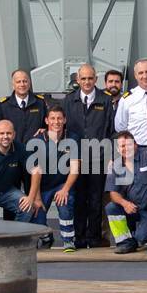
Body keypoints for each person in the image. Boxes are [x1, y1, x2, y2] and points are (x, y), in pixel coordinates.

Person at [62, 64, 113, 248]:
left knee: (96, 199)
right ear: (77, 80)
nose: (86, 82)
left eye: (90, 78)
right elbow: (62, 127)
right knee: (79, 199)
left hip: (98, 157)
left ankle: (94, 237)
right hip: (76, 159)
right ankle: (80, 238)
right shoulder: (69, 101)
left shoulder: (105, 101)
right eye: (83, 78)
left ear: (96, 80)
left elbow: (110, 130)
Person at [24, 106, 80, 249]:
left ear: (65, 120)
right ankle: (46, 237)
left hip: (62, 183)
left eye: (60, 118)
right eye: (53, 118)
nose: (56, 121)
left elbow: (75, 168)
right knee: (37, 214)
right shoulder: (37, 140)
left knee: (65, 203)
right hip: (42, 186)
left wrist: (65, 189)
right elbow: (35, 172)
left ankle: (68, 241)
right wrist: (36, 198)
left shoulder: (73, 138)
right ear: (46, 120)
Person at [105, 130, 147, 253]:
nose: (126, 148)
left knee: (141, 237)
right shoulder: (116, 165)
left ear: (135, 144)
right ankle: (125, 242)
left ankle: (136, 240)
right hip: (132, 208)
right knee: (111, 207)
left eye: (129, 144)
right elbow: (113, 193)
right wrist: (125, 203)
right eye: (122, 146)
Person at [0, 68, 47, 140]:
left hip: (35, 148)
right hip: (12, 149)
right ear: (13, 85)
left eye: (25, 81)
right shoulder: (4, 106)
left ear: (29, 83)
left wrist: (46, 130)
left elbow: (47, 125)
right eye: (18, 82)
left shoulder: (40, 103)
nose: (22, 84)